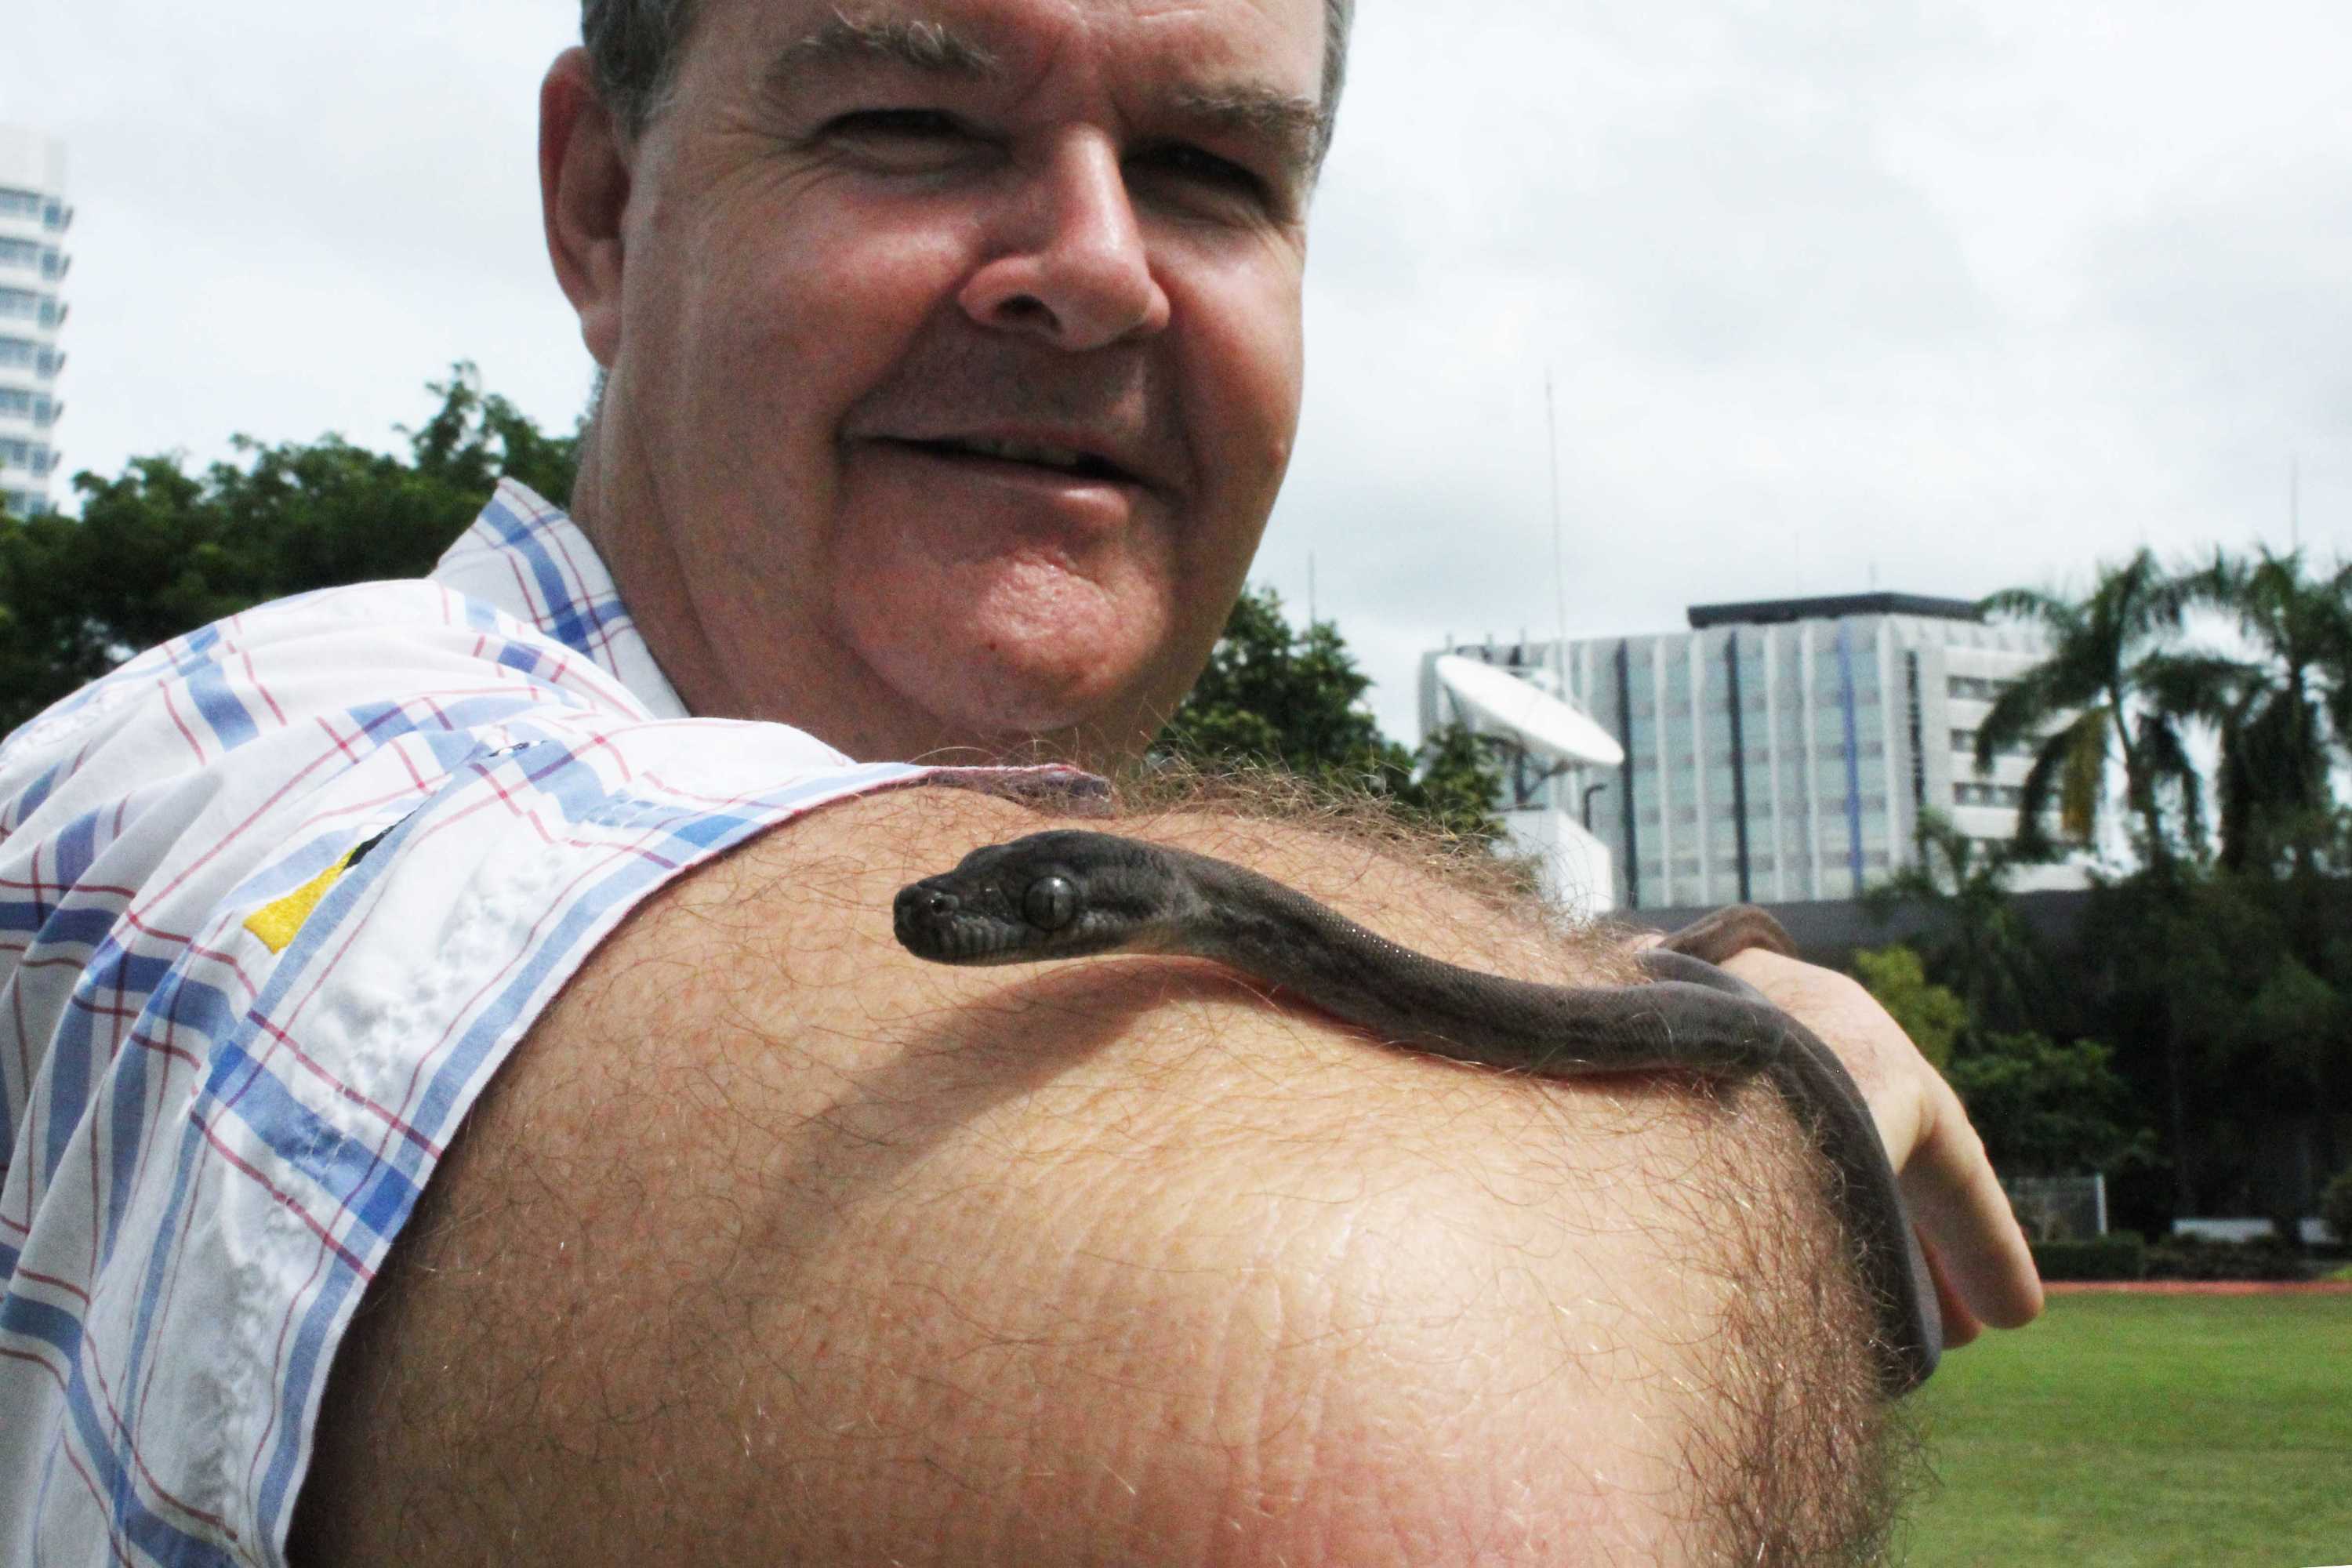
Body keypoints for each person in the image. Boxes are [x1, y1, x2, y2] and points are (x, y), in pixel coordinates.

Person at [0, 0, 2042, 1563]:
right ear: (601, 205)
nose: (1097, 267)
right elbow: (1396, 1459)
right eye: (912, 122)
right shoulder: (274, 772)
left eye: (1213, 170)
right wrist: (1730, 1092)